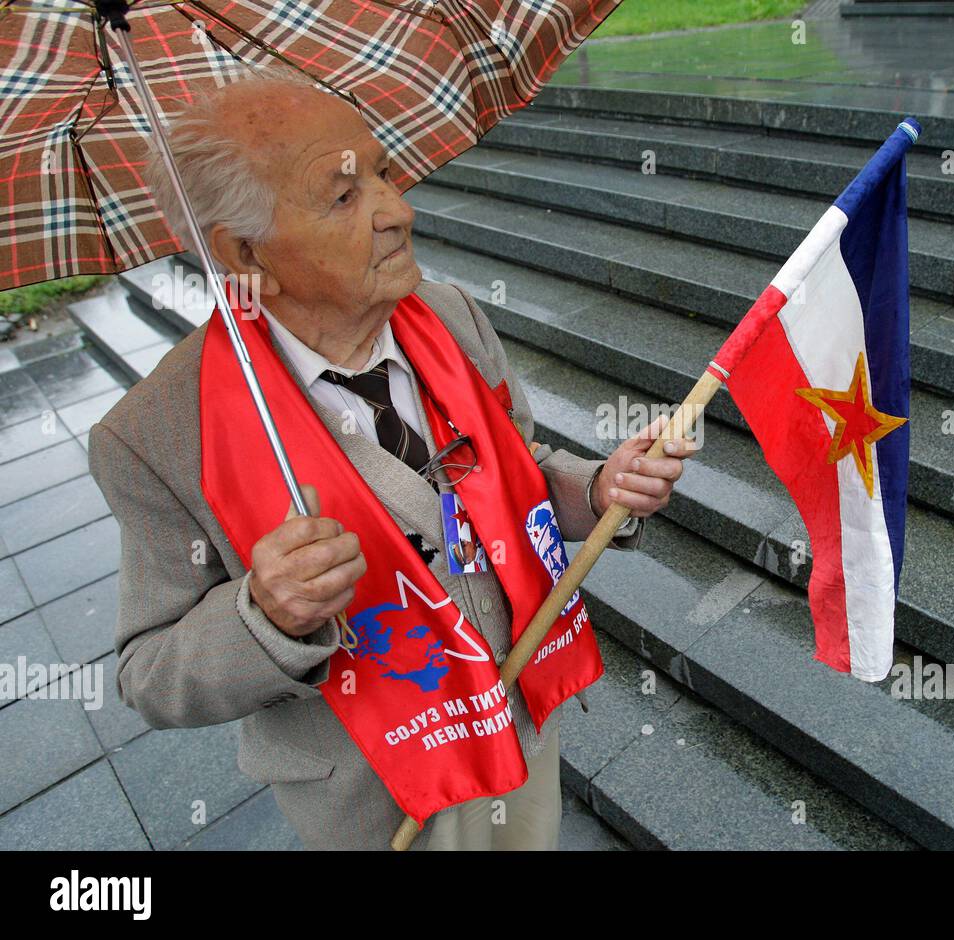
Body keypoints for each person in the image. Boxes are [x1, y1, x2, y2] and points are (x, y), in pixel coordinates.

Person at [87, 65, 697, 850]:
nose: (400, 211)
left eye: (382, 172)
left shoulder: (450, 316)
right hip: (376, 795)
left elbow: (521, 472)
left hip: (517, 716)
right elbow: (150, 675)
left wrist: (600, 486)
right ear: (244, 253)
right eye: (344, 196)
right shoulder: (154, 434)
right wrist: (266, 616)